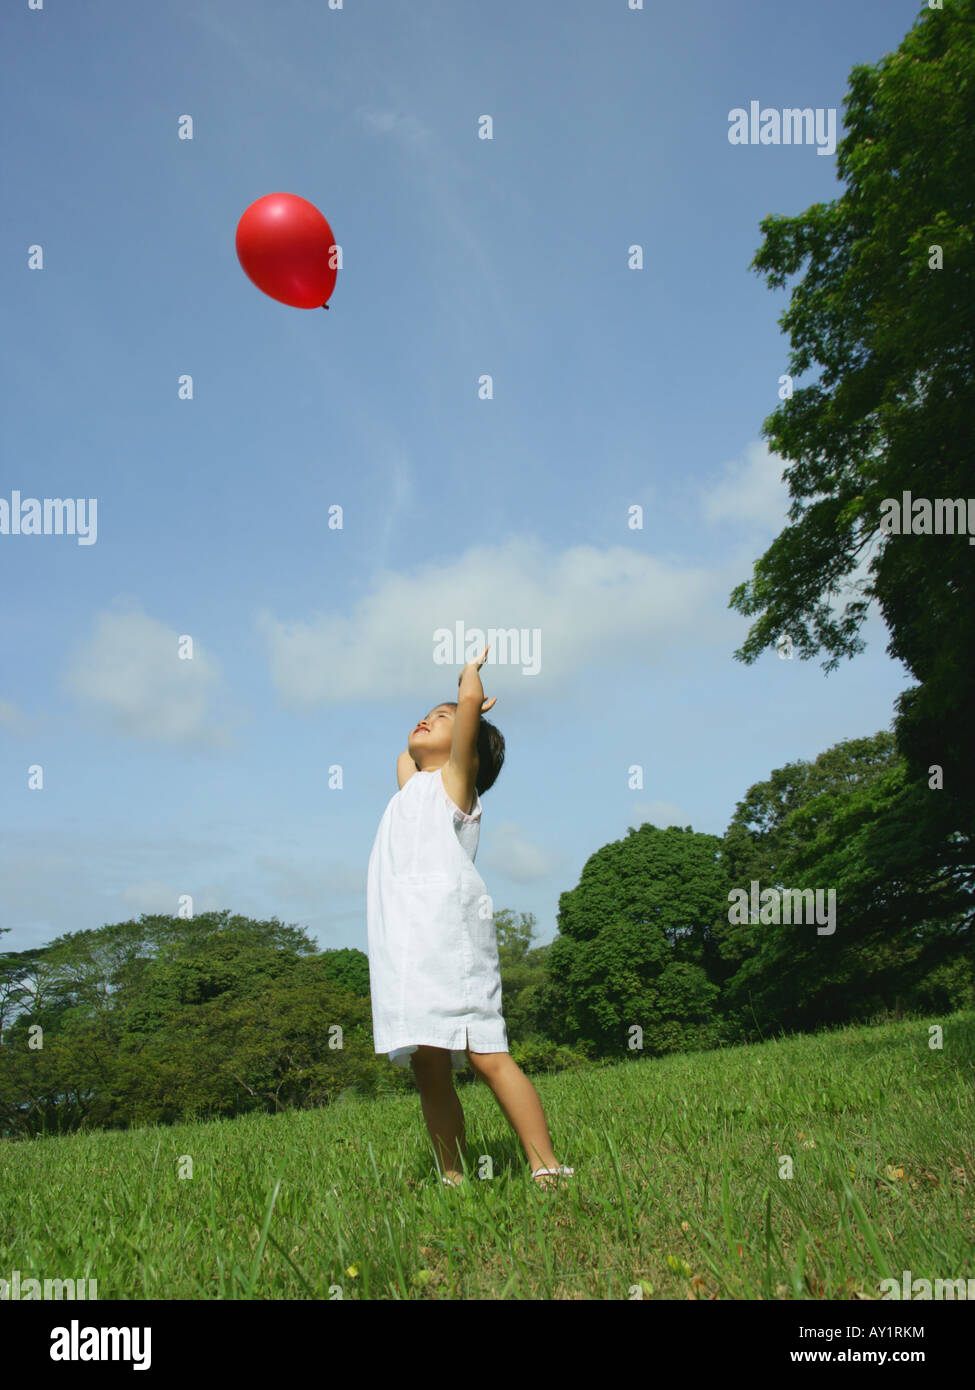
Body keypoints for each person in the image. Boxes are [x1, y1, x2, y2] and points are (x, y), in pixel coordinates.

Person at [366, 644, 573, 1192]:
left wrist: (469, 685)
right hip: (407, 950)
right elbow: (406, 757)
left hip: (448, 941)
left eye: (442, 720)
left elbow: (457, 733)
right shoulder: (411, 790)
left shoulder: (455, 785)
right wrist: (447, 713)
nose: (426, 720)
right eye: (425, 716)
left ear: (468, 750)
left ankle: (546, 1165)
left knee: (487, 1054)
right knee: (427, 1067)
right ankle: (453, 1176)